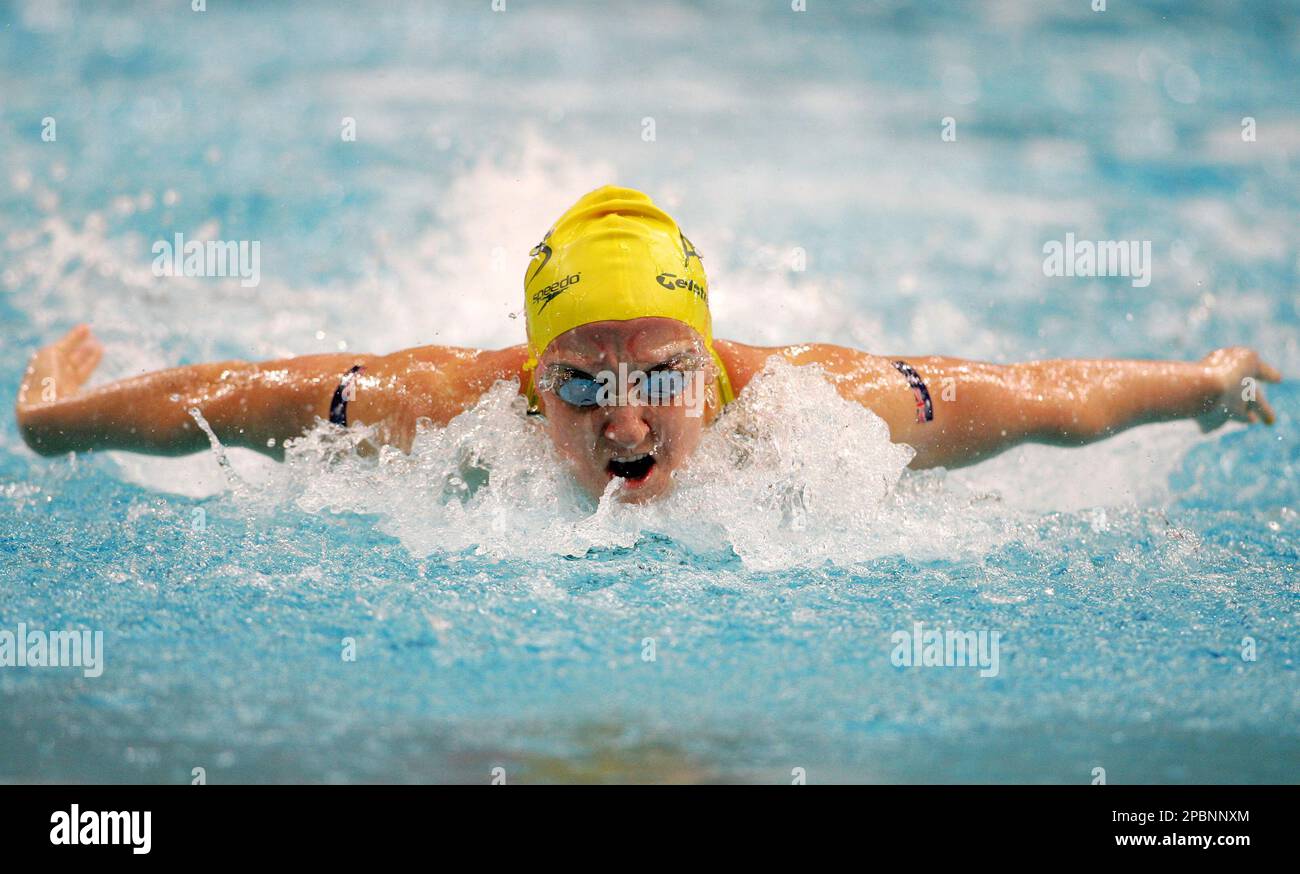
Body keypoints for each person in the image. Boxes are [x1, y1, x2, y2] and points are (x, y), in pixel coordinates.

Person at [14, 186, 1281, 503]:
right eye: (581, 380)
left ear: (709, 357)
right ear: (530, 373)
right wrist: (54, 420)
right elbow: (229, 399)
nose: (624, 419)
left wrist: (1206, 385)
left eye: (660, 374)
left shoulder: (813, 409)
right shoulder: (442, 405)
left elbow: (1047, 399)